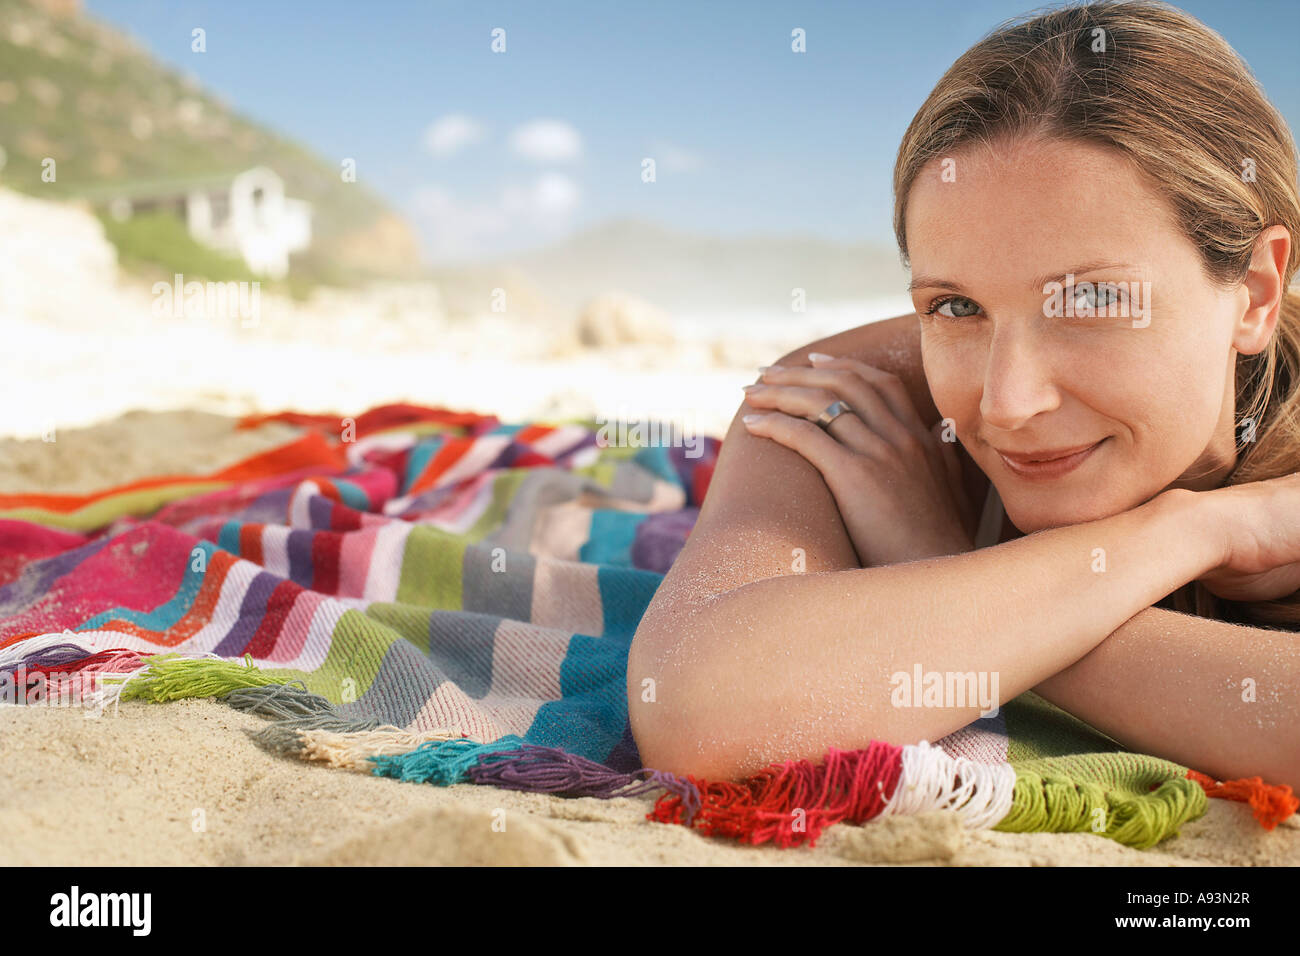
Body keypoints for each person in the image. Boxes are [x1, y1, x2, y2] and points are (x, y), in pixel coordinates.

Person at [626, 0, 1300, 790]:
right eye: (954, 307)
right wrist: (1194, 531)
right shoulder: (855, 402)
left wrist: (937, 581)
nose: (1006, 402)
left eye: (1089, 301)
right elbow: (695, 707)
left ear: (1254, 293)